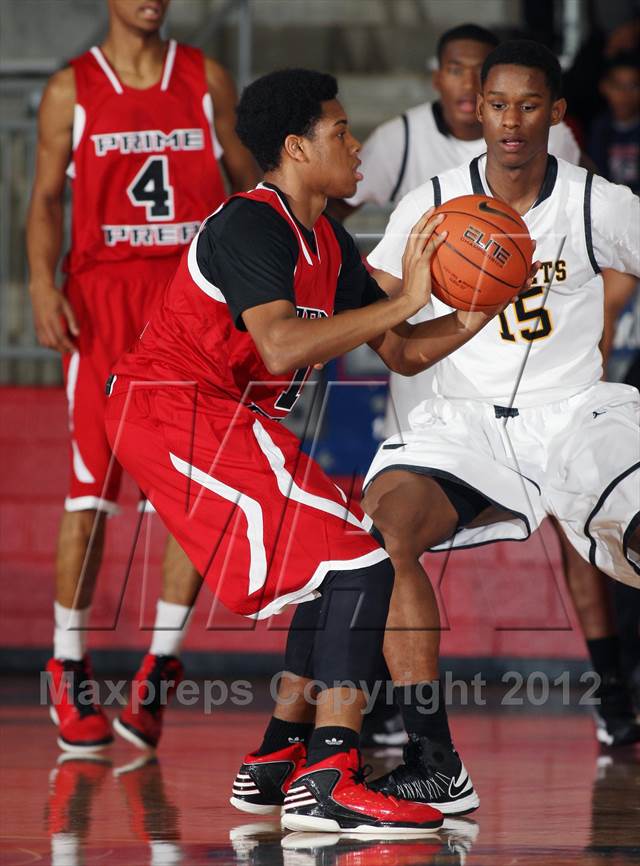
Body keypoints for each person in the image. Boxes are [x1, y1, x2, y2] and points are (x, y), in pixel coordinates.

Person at [103, 68, 530, 829]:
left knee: (345, 558)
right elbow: (277, 345)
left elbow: (401, 351)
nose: (355, 144)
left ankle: (277, 760)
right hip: (172, 410)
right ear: (297, 148)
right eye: (340, 132)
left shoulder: (327, 238)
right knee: (363, 562)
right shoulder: (250, 224)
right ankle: (331, 771)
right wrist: (405, 297)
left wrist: (472, 315)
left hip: (221, 417)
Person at [360, 40, 640, 808]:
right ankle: (434, 760)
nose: (511, 121)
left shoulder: (595, 202)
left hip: (575, 413)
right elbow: (375, 303)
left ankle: (617, 703)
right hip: (469, 425)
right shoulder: (434, 201)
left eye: (528, 105)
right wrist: (402, 314)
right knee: (386, 534)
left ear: (556, 114)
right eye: (497, 105)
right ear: (477, 110)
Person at [27, 0, 259, 753]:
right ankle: (67, 663)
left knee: (188, 495)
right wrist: (39, 284)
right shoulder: (72, 87)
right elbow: (45, 198)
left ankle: (160, 664)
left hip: (189, 300)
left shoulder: (203, 76)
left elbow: (249, 186)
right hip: (104, 299)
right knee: (90, 491)